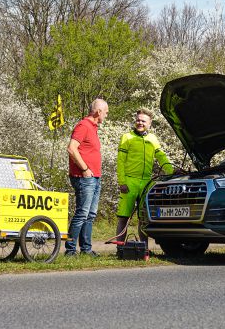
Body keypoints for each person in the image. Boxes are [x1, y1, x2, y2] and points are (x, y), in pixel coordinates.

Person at [115, 108, 173, 239]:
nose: (140, 123)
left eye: (143, 121)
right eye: (138, 120)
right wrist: (122, 182)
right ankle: (120, 249)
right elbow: (120, 161)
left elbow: (161, 157)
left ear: (149, 123)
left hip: (146, 182)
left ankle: (143, 248)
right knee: (124, 218)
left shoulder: (153, 138)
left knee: (144, 218)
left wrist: (172, 171)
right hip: (129, 182)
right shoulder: (127, 137)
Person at [65, 98, 109, 256]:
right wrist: (84, 169)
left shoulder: (94, 128)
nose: (106, 115)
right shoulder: (84, 125)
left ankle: (86, 249)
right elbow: (71, 148)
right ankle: (70, 250)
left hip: (95, 177)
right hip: (84, 177)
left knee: (90, 215)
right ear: (98, 112)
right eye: (106, 112)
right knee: (82, 213)